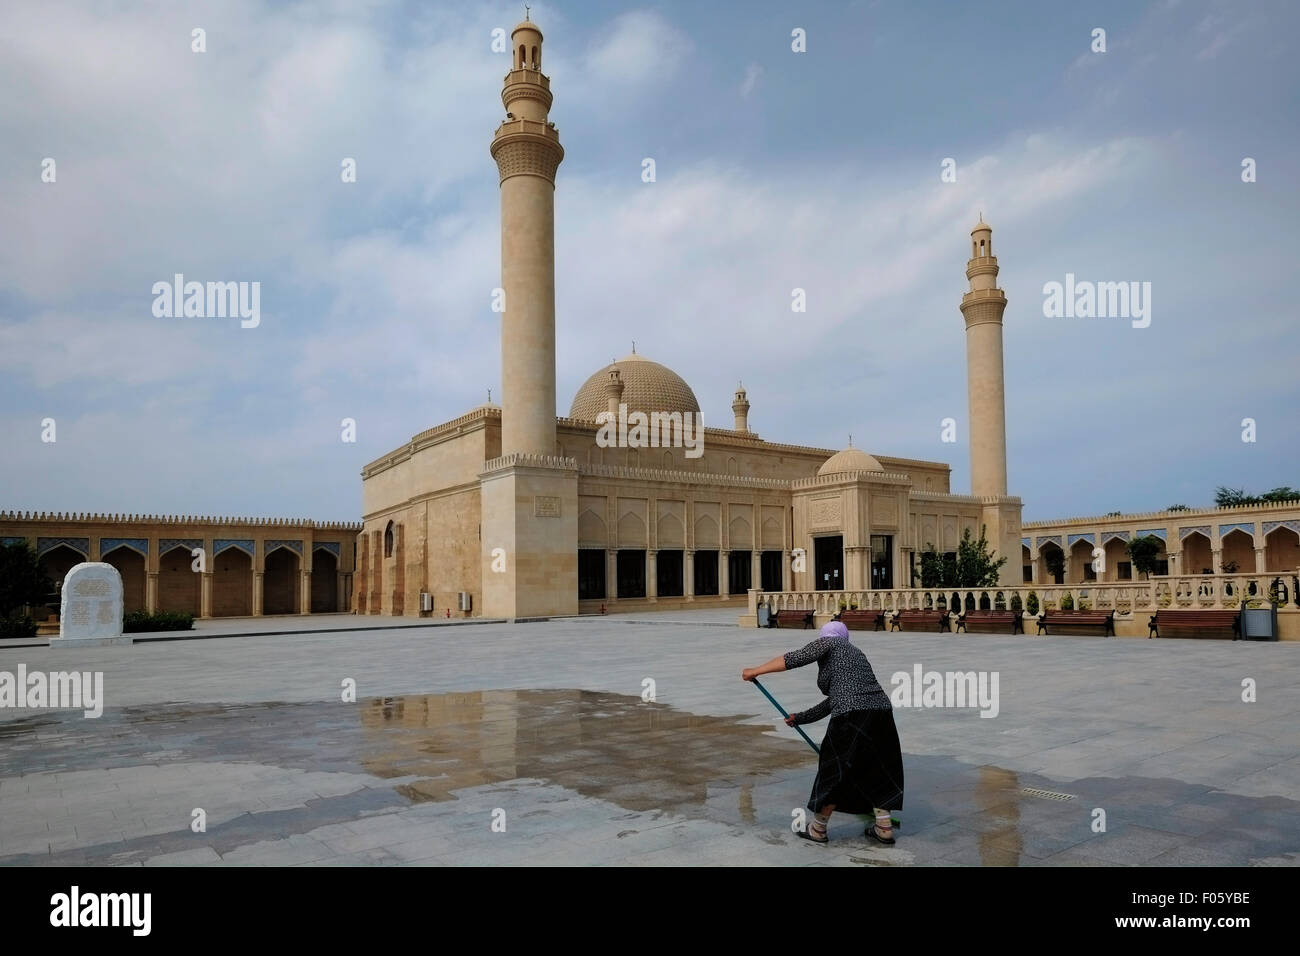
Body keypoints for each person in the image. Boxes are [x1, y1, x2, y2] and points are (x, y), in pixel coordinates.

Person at [742, 621, 903, 845]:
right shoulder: (855, 653)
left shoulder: (830, 643)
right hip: (881, 713)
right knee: (877, 769)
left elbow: (794, 658)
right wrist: (801, 718)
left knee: (834, 771)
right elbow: (838, 698)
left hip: (850, 716)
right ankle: (884, 828)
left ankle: (818, 830)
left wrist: (755, 671)